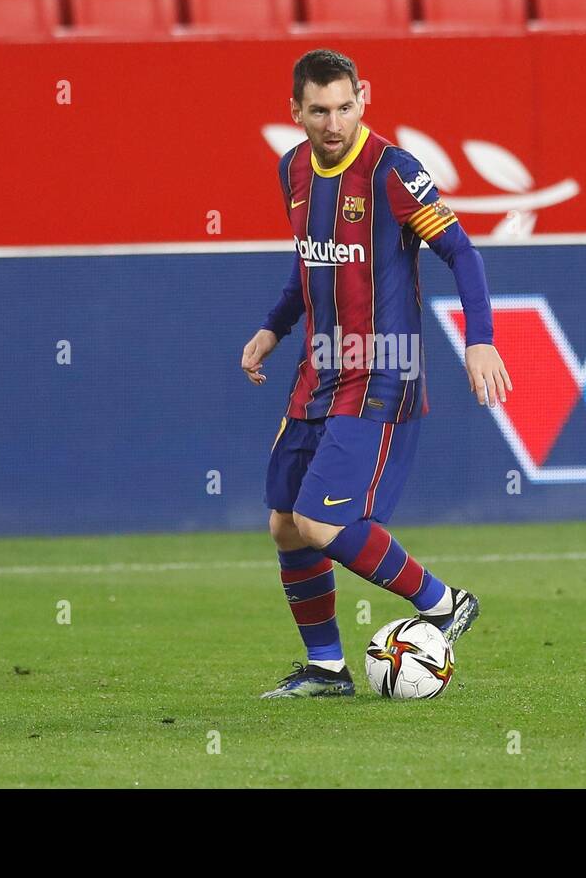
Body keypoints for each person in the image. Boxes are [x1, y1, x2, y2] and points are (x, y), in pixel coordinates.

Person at [240, 49, 512, 698]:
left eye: (344, 107)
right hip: (318, 371)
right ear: (296, 112)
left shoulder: (392, 173)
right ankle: (328, 669)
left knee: (323, 524)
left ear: (363, 97)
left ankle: (445, 603)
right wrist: (274, 328)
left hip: (380, 375)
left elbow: (461, 250)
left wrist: (480, 341)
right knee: (284, 523)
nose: (333, 123)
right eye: (318, 111)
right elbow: (310, 266)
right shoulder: (294, 169)